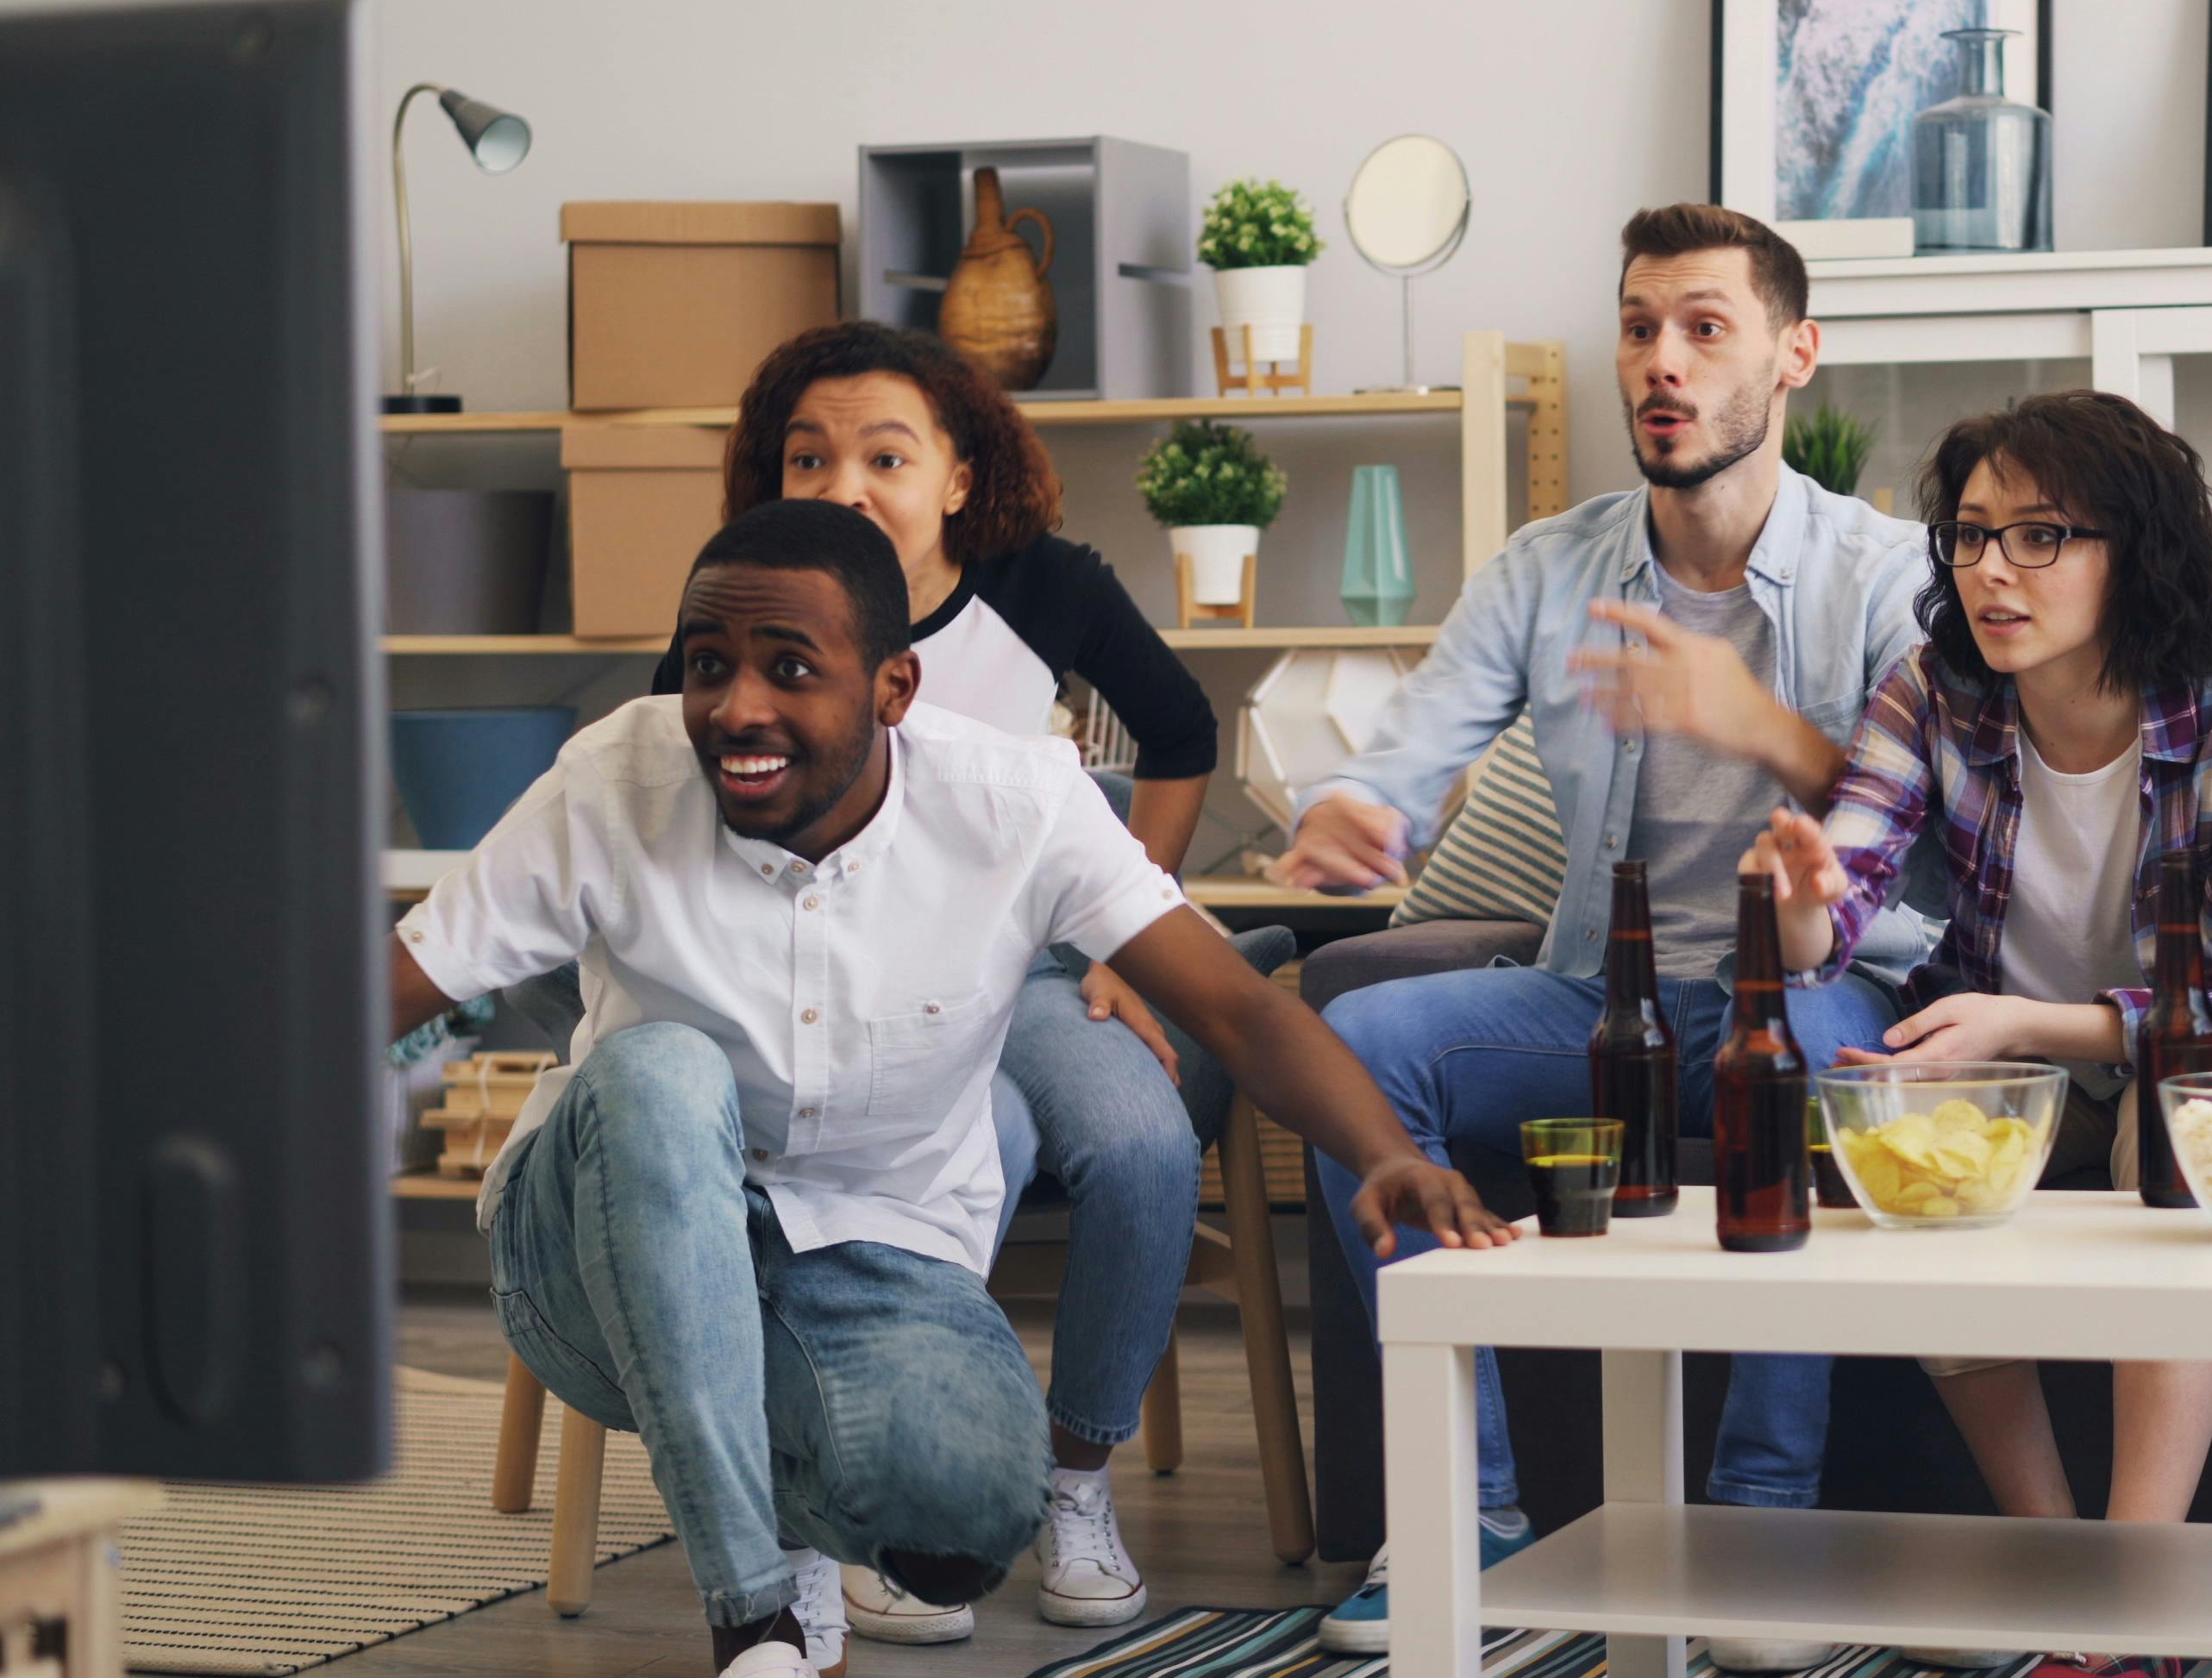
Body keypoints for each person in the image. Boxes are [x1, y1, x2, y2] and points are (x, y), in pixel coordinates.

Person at [393, 500, 1506, 1678]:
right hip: (598, 1255)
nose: (735, 709)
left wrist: (1386, 1154)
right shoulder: (614, 775)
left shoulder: (1016, 803)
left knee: (962, 1518)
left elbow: (1234, 1007)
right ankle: (753, 1621)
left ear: (894, 688)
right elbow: (398, 983)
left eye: (789, 670)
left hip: (871, 1258)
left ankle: (787, 1459)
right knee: (662, 1071)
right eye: (709, 666)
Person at [1271, 203, 1932, 1667]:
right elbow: (1406, 752)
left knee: (1814, 1056)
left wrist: (1755, 724)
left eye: (1706, 327)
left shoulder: (1888, 575)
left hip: (1817, 991)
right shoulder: (1545, 569)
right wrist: (1357, 811)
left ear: (1794, 354)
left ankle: (1763, 1521)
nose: (1662, 363)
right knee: (1352, 1046)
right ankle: (1472, 1514)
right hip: (1603, 997)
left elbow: (1943, 827)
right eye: (1640, 328)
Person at [605, 322, 1236, 1640]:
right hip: (832, 984)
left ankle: (1072, 1483)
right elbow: (668, 808)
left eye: (884, 456)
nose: (845, 485)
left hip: (1039, 973)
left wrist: (1131, 933)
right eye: (809, 457)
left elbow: (1180, 731)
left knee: (1145, 1146)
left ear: (957, 475)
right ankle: (864, 1500)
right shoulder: (741, 602)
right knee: (935, 1155)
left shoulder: (1044, 586)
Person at [1743, 390, 2212, 1678]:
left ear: (2137, 550)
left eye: (2040, 537)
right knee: (1900, 1137)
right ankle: (2054, 1564)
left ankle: (2134, 1604)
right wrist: (1796, 905)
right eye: (1968, 537)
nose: (1991, 573)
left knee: (2176, 1122)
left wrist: (2023, 1020)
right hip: (2012, 1058)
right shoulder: (1935, 693)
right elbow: (1831, 922)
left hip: (2188, 1057)